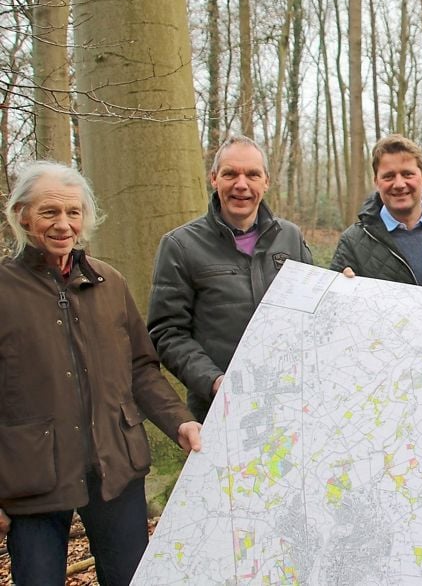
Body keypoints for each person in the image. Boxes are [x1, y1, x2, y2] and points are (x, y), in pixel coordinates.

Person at [0, 161, 202, 586]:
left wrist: (180, 422)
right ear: (22, 215)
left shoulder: (109, 282)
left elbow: (142, 369)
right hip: (34, 478)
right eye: (49, 212)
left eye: (73, 213)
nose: (63, 224)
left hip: (116, 468)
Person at [148, 135, 312, 422]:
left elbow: (314, 312)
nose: (241, 184)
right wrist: (214, 382)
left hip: (290, 403)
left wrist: (342, 288)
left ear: (266, 182)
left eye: (252, 174)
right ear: (214, 179)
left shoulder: (290, 238)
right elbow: (167, 332)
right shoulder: (181, 245)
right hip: (220, 410)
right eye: (230, 174)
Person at [329, 134, 422, 289]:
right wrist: (342, 289)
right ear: (376, 182)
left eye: (407, 174)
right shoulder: (352, 243)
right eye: (389, 176)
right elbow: (334, 306)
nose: (399, 184)